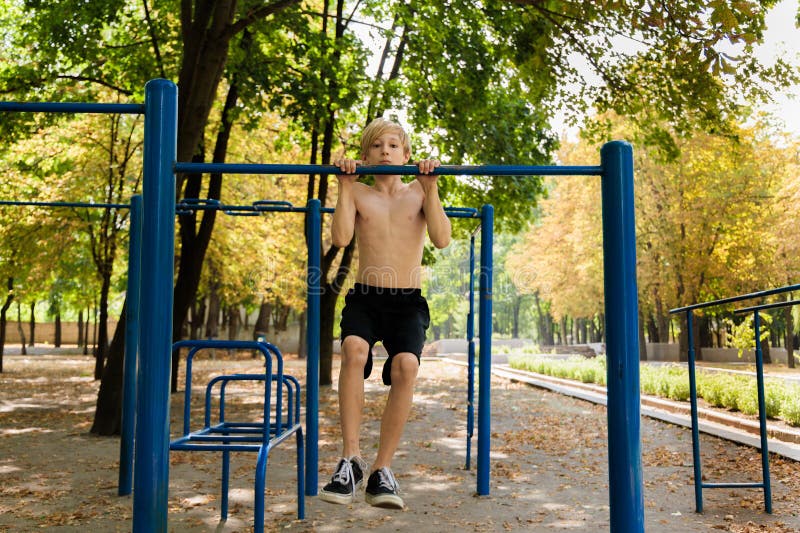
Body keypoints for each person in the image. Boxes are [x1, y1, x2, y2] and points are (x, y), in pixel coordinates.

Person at [319, 117, 451, 509]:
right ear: (365, 156)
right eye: (376, 146)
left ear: (406, 155)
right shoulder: (358, 192)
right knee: (355, 350)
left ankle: (382, 469)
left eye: (393, 145)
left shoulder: (418, 192)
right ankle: (351, 459)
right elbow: (341, 238)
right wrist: (343, 187)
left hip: (407, 300)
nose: (385, 152)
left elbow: (442, 240)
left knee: (406, 366)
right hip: (366, 297)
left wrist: (432, 188)